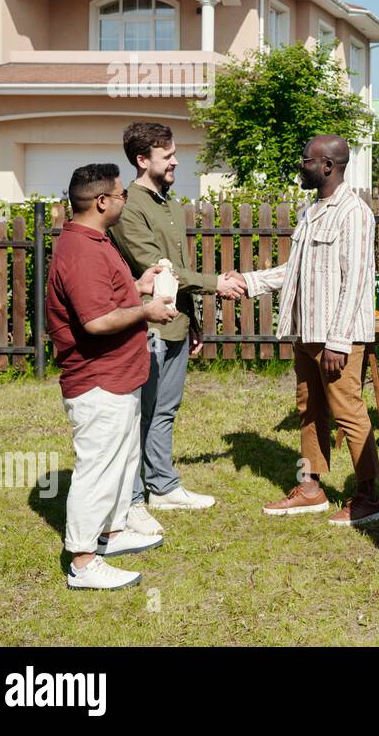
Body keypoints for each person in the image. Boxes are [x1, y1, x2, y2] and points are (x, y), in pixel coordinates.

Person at [232, 135, 379, 525]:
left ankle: (369, 497)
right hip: (306, 332)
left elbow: (356, 282)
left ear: (328, 166)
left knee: (348, 412)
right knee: (309, 411)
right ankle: (311, 489)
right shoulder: (311, 211)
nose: (301, 165)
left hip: (337, 338)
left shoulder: (354, 213)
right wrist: (247, 282)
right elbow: (292, 271)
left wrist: (338, 341)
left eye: (306, 160)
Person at [46, 163, 180, 590]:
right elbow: (97, 321)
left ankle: (113, 533)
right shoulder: (82, 250)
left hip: (119, 375)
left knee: (122, 462)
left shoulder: (93, 240)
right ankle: (83, 562)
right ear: (102, 201)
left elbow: (107, 295)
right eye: (122, 194)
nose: (125, 200)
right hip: (97, 379)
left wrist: (139, 286)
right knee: (98, 468)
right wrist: (147, 310)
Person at [109, 122, 247, 534]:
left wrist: (193, 322)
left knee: (165, 411)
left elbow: (176, 274)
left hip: (175, 324)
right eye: (167, 156)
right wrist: (216, 284)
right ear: (141, 160)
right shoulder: (129, 207)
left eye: (174, 154)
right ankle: (132, 500)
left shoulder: (169, 204)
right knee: (138, 414)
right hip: (145, 326)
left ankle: (163, 487)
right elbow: (156, 269)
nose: (175, 161)